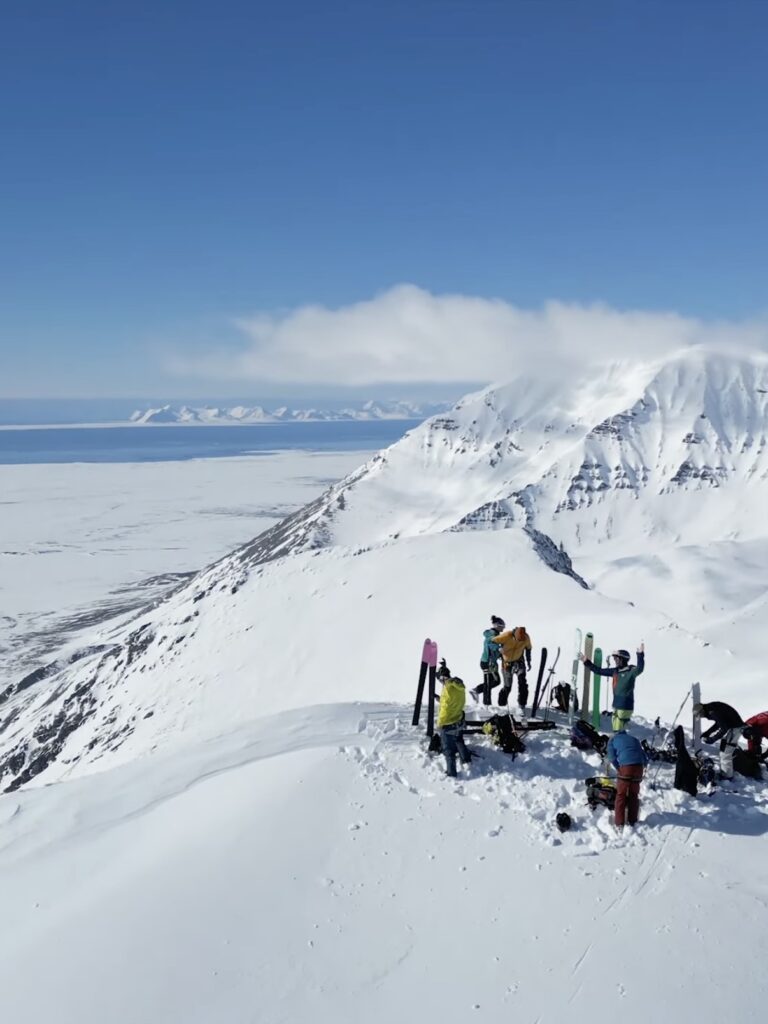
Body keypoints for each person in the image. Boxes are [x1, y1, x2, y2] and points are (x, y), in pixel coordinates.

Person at [579, 644, 644, 731]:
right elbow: (598, 671)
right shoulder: (615, 671)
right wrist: (586, 661)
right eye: (614, 659)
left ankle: (618, 742)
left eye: (617, 658)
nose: (615, 661)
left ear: (623, 659)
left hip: (625, 706)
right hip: (617, 705)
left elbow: (640, 668)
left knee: (618, 730)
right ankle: (619, 742)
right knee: (617, 729)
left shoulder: (631, 671)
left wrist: (640, 654)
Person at [606, 728, 648, 830]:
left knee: (621, 795)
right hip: (639, 768)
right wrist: (643, 766)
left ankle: (619, 824)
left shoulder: (612, 740)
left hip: (626, 768)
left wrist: (618, 767)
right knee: (634, 795)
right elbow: (644, 757)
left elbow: (611, 757)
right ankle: (632, 821)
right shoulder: (634, 739)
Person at [693, 701, 744, 779]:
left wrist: (712, 739)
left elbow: (724, 728)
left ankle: (727, 777)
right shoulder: (711, 708)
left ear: (702, 711)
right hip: (733, 727)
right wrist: (707, 733)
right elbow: (719, 723)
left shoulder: (712, 711)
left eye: (700, 715)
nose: (701, 717)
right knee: (724, 750)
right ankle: (726, 773)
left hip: (735, 728)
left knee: (725, 752)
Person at [436, 674, 471, 778]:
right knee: (459, 740)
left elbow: (445, 707)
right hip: (458, 719)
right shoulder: (459, 687)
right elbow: (451, 701)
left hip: (447, 723)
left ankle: (451, 773)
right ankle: (466, 760)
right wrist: (439, 698)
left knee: (448, 750)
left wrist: (440, 724)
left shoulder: (447, 688)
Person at [493, 625, 532, 711]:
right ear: (514, 635)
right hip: (506, 664)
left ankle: (522, 704)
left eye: (521, 640)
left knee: (522, 683)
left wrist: (529, 661)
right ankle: (502, 705)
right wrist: (498, 648)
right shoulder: (507, 635)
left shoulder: (526, 638)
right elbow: (492, 641)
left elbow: (528, 649)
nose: (519, 641)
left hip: (519, 661)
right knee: (507, 687)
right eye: (518, 639)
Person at [470, 616, 504, 704]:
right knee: (490, 682)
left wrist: (500, 653)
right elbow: (490, 644)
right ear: (496, 625)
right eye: (502, 625)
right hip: (487, 663)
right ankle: (487, 704)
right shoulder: (492, 635)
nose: (503, 627)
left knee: (496, 681)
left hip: (490, 663)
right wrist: (499, 648)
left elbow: (492, 648)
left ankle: (476, 691)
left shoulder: (495, 635)